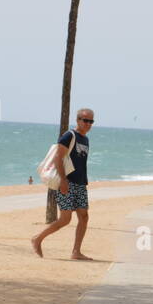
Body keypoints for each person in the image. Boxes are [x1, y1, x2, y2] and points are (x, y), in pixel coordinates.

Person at [31, 107, 94, 260]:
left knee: (84, 217)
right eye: (85, 120)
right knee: (65, 219)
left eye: (91, 121)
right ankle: (38, 238)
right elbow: (58, 158)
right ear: (78, 120)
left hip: (80, 184)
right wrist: (63, 181)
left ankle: (76, 252)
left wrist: (84, 181)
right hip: (67, 183)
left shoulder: (85, 139)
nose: (88, 124)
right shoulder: (68, 136)